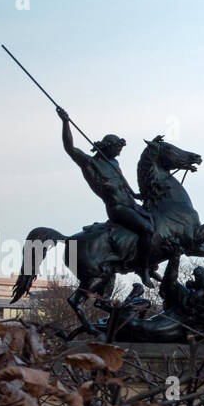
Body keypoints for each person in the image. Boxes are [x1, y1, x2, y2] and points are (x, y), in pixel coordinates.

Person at [56, 106, 158, 286]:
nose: (119, 152)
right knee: (147, 230)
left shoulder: (114, 162)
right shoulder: (90, 163)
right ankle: (143, 269)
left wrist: (134, 193)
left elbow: (122, 180)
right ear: (108, 147)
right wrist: (65, 122)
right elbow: (69, 148)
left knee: (157, 226)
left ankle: (149, 261)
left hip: (131, 204)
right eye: (117, 148)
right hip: (117, 208)